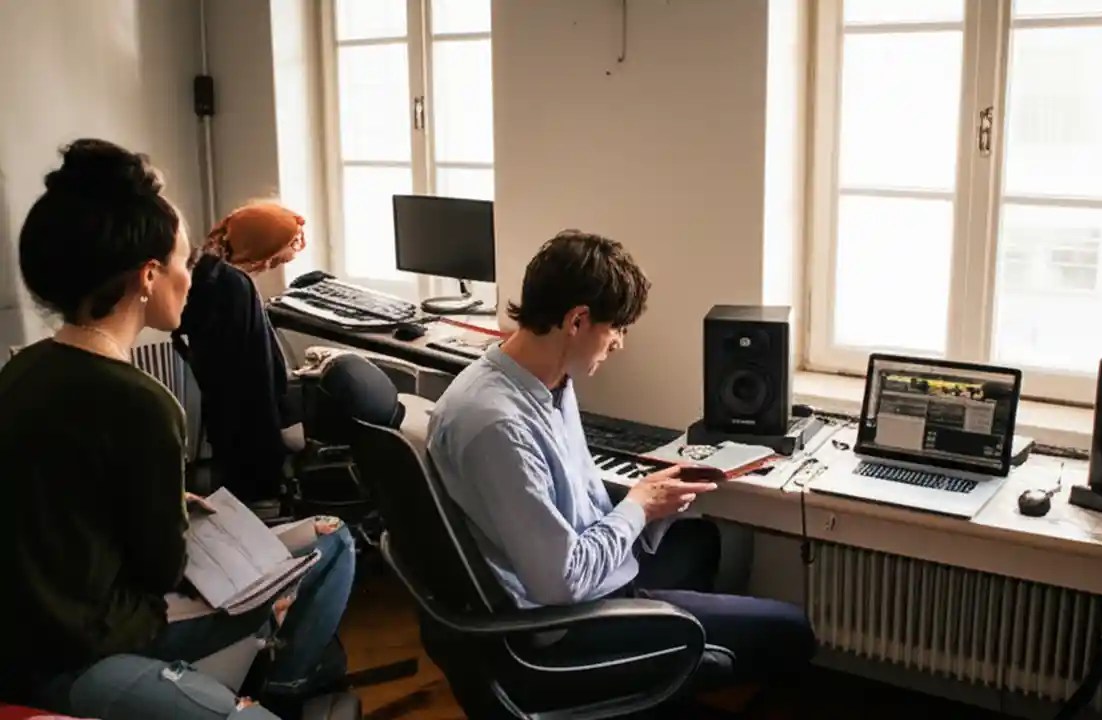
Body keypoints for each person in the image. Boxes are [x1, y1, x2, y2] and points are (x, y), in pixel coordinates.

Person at [0, 139, 354, 720]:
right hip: (95, 645)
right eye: (183, 262)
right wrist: (169, 509)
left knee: (325, 538)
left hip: (25, 635)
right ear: (147, 276)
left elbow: (54, 501)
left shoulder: (22, 371)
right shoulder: (142, 402)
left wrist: (158, 499)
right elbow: (163, 569)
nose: (190, 278)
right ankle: (282, 689)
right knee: (330, 540)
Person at [425, 230, 815, 698]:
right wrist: (637, 509)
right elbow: (561, 582)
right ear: (577, 320)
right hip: (563, 621)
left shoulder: (544, 381)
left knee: (702, 540)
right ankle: (646, 664)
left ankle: (656, 684)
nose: (620, 344)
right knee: (793, 630)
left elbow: (573, 503)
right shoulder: (498, 426)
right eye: (617, 329)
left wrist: (648, 500)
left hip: (580, 571)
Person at [174, 200, 307, 508]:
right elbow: (261, 373)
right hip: (254, 433)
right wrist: (286, 422)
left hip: (225, 424)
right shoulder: (235, 288)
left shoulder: (208, 275)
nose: (269, 267)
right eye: (272, 260)